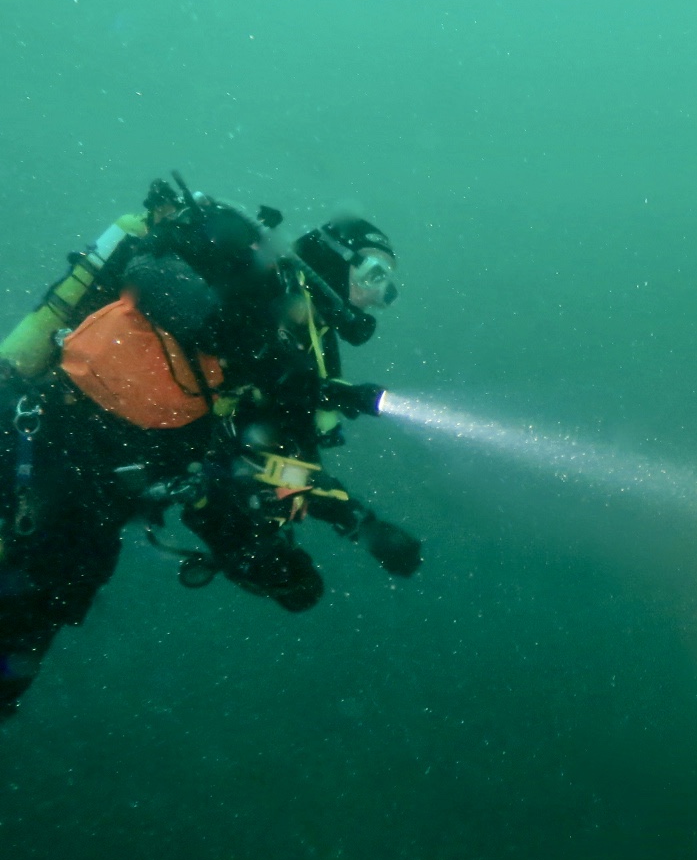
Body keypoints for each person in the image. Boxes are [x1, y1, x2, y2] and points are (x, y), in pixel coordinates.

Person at [0, 177, 420, 716]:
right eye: (374, 274)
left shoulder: (303, 348)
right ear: (334, 256)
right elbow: (147, 277)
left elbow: (263, 466)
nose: (380, 297)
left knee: (35, 620)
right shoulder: (254, 274)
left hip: (97, 489)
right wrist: (246, 343)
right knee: (30, 604)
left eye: (391, 287)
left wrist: (357, 524)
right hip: (50, 448)